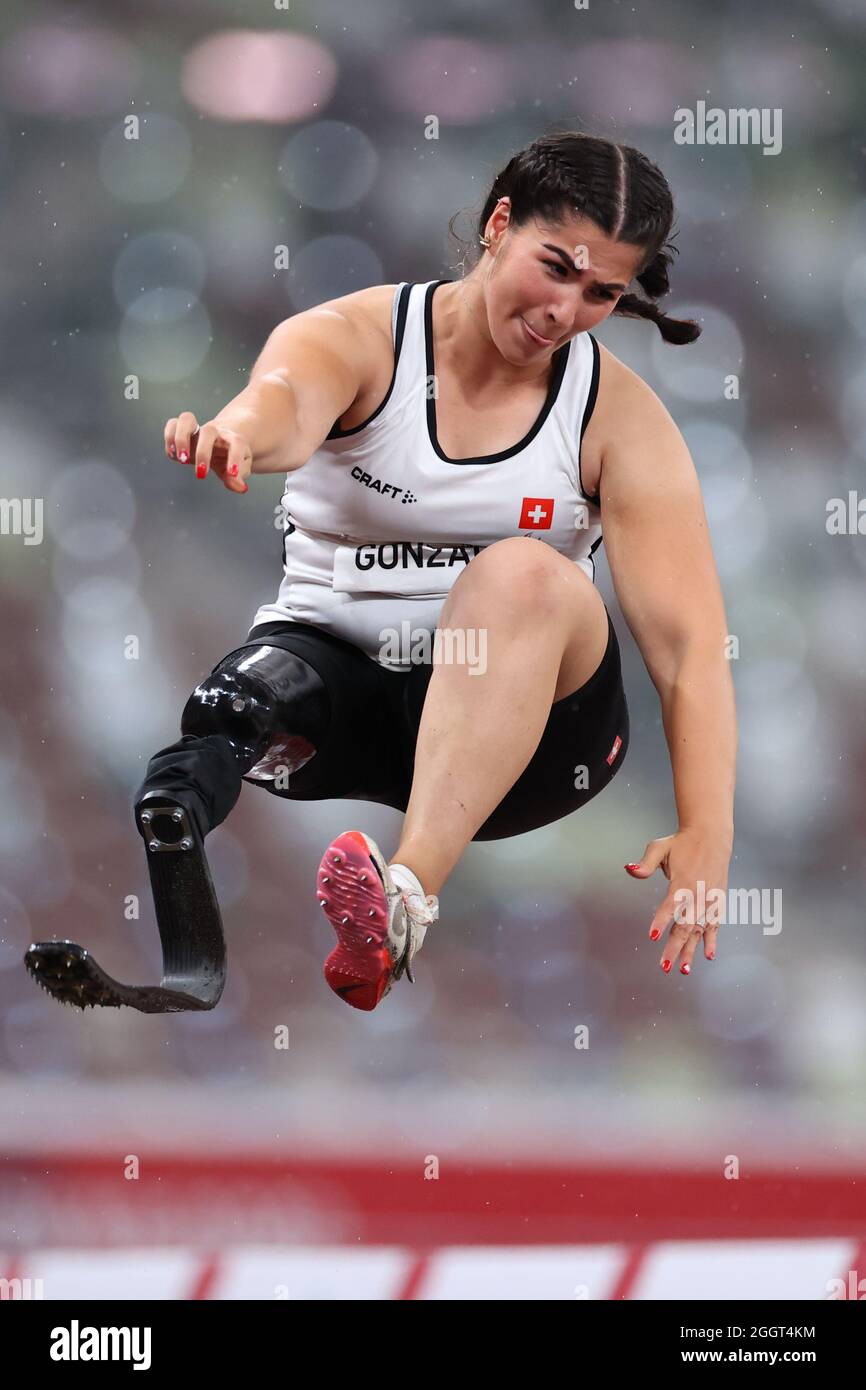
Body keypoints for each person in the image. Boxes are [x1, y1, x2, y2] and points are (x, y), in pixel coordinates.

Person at [134, 130, 737, 1013]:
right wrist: (236, 436)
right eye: (557, 268)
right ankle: (177, 807)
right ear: (499, 224)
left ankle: (402, 901)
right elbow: (284, 406)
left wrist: (708, 832)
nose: (566, 311)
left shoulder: (617, 417)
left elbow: (688, 648)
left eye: (602, 292)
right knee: (231, 708)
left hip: (534, 746)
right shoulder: (355, 336)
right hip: (343, 705)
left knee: (521, 575)